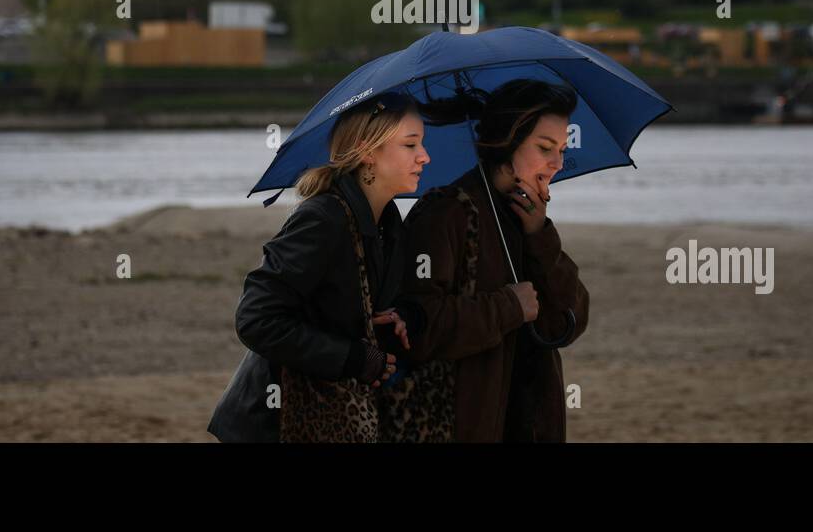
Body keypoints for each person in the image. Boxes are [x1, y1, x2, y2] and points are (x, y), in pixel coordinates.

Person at [207, 91, 429, 442]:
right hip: (275, 424)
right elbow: (255, 318)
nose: (424, 157)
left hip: (332, 420)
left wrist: (405, 314)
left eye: (422, 144)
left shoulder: (389, 222)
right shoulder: (323, 220)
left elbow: (380, 301)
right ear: (368, 151)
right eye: (410, 145)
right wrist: (353, 358)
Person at [400, 79, 589, 442]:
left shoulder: (528, 218)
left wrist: (540, 235)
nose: (558, 163)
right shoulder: (444, 213)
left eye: (562, 149)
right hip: (463, 423)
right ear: (509, 140)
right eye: (545, 148)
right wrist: (507, 307)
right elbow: (418, 327)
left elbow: (570, 321)